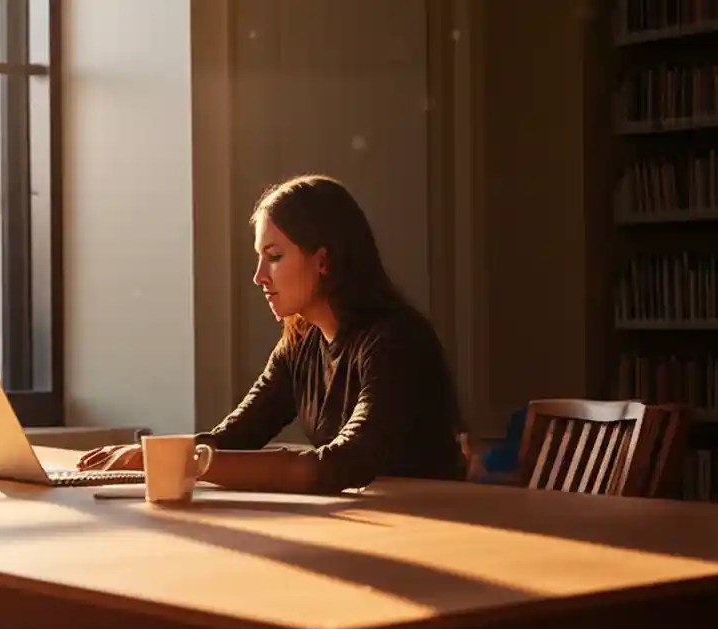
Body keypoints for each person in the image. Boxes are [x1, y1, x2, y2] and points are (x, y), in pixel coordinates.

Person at [78, 174, 465, 494]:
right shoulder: (299, 345)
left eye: (275, 257)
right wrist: (155, 455)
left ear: (324, 260)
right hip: (379, 528)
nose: (259, 276)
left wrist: (185, 462)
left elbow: (338, 466)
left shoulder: (396, 341)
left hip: (446, 530)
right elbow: (233, 438)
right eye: (259, 258)